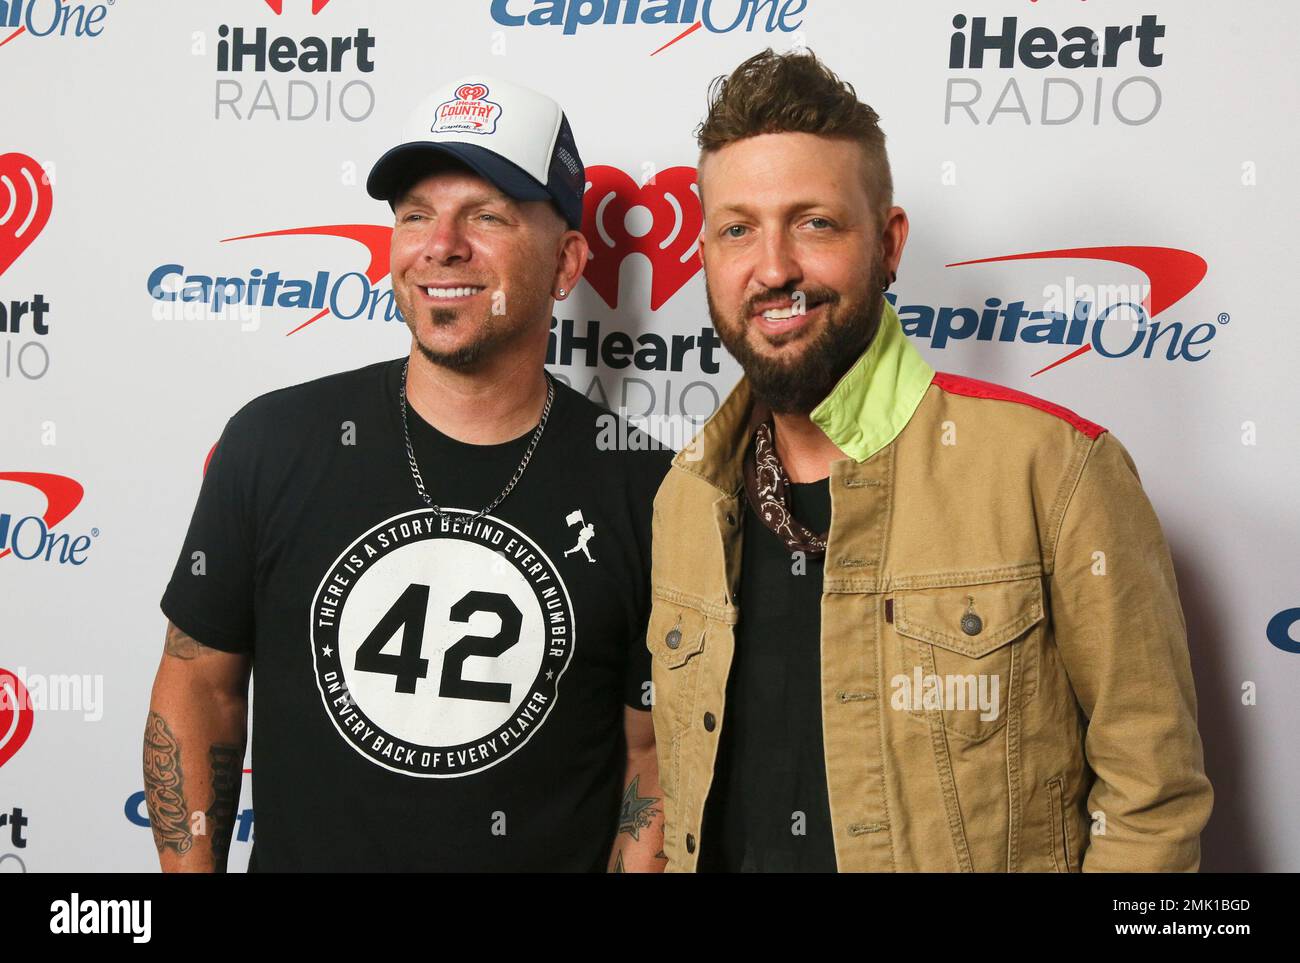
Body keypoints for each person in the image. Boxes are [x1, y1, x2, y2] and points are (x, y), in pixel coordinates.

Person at [645, 49, 1213, 872]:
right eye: (738, 229)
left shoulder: (1054, 471)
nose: (773, 269)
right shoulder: (684, 496)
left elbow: (1153, 803)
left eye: (814, 222)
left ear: (888, 242)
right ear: (706, 255)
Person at [145, 76, 668, 872]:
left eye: (486, 215)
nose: (441, 244)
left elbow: (651, 754)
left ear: (567, 264)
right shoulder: (274, 443)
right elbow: (199, 687)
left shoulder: (645, 489)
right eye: (416, 214)